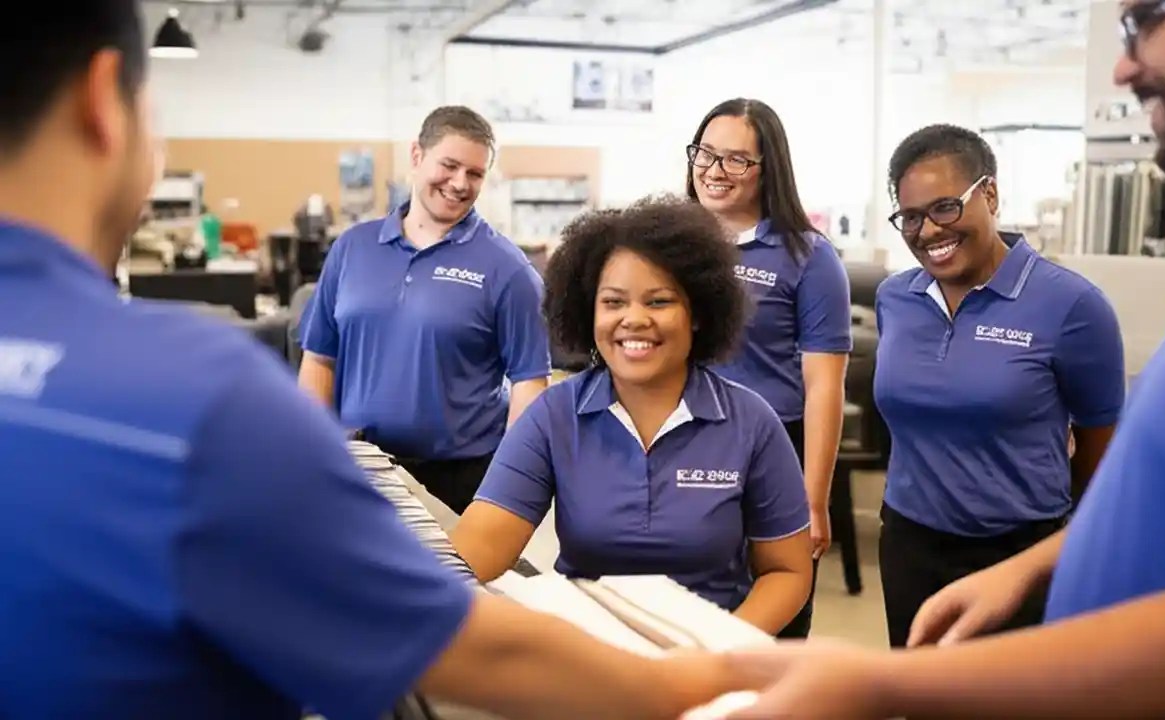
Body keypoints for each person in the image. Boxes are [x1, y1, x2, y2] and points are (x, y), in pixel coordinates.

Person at [0, 4, 748, 718]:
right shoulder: (197, 403)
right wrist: (723, 681)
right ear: (105, 101)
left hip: (455, 469)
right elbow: (463, 650)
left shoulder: (501, 271)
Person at [720, 0, 1165, 717]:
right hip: (923, 543)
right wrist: (1030, 572)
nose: (1121, 65)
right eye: (910, 218)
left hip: (1031, 560)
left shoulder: (1073, 306)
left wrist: (882, 682)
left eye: (1146, 20)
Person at [449, 195, 814, 635]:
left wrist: (721, 651)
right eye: (614, 302)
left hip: (714, 664)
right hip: (592, 664)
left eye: (659, 302)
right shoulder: (554, 415)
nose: (634, 319)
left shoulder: (751, 422)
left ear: (697, 313)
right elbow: (481, 545)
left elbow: (787, 573)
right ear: (589, 312)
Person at [871, 123, 1126, 647]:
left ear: (989, 193)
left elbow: (1101, 445)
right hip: (910, 544)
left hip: (1019, 552)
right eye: (911, 217)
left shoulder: (1072, 306)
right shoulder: (895, 298)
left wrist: (1063, 543)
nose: (928, 231)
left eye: (945, 207)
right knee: (922, 697)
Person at [299, 105, 551, 515]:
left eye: (475, 174)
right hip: (359, 467)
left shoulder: (507, 268)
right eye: (449, 165)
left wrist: (511, 484)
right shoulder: (352, 248)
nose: (459, 183)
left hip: (461, 480)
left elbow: (529, 384)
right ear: (416, 156)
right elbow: (319, 358)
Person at [686, 98, 853, 638]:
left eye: (735, 159)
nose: (714, 170)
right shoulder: (669, 244)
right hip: (677, 446)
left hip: (771, 452)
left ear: (768, 168)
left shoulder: (808, 256)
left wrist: (813, 500)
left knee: (768, 632)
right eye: (705, 154)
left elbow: (824, 385)